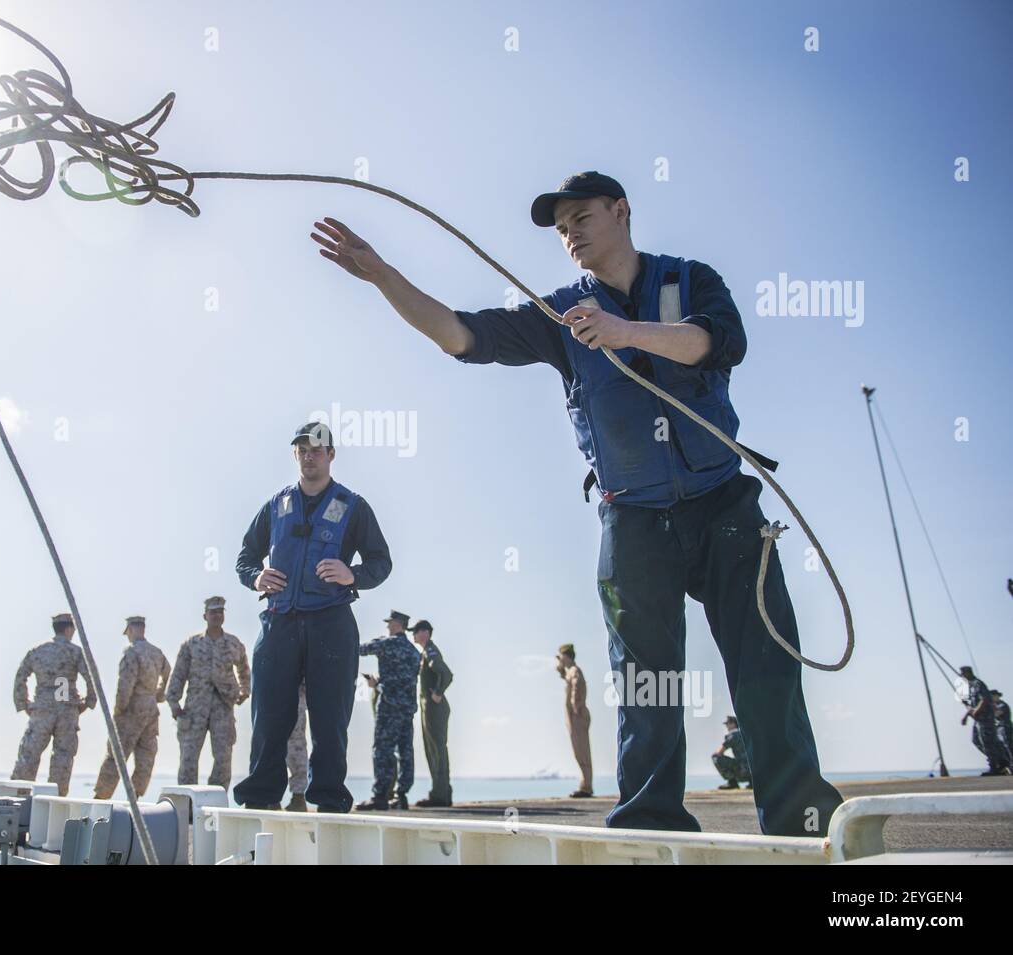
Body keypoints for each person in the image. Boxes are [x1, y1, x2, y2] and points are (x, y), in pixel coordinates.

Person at [311, 170, 844, 836]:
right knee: (648, 689)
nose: (570, 236)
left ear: (621, 211)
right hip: (635, 518)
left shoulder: (689, 279)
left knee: (768, 670)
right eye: (561, 230)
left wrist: (626, 332)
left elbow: (718, 342)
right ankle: (652, 832)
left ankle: (803, 827)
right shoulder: (560, 315)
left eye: (581, 219)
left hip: (723, 506)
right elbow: (460, 335)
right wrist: (383, 274)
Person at [232, 422, 393, 812]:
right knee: (269, 716)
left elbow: (381, 561)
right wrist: (256, 578)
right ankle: (259, 800)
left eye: (317, 449)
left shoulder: (352, 505)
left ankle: (329, 802)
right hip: (279, 621)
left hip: (330, 622)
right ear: (295, 455)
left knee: (329, 719)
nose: (309, 454)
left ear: (331, 455)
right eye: (302, 449)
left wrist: (352, 573)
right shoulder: (276, 505)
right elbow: (245, 558)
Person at [166, 596, 250, 789]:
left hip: (223, 707)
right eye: (213, 612)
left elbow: (244, 669)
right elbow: (179, 673)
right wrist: (173, 702)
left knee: (223, 758)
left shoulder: (233, 643)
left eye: (220, 612)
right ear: (205, 616)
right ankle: (187, 804)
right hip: (195, 708)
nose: (217, 615)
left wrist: (245, 691)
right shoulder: (192, 644)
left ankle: (216, 800)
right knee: (188, 757)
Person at [11, 612, 97, 797]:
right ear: (68, 629)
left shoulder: (38, 651)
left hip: (42, 708)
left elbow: (21, 676)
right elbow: (92, 678)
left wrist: (23, 703)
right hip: (67, 710)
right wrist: (87, 703)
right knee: (63, 758)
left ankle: (17, 797)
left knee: (29, 755)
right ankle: (55, 800)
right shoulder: (75, 652)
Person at [93, 615, 171, 799]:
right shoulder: (157, 652)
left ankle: (101, 797)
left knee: (116, 755)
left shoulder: (131, 652)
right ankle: (136, 796)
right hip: (151, 708)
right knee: (146, 755)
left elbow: (125, 684)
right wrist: (159, 694)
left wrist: (119, 709)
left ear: (131, 629)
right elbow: (168, 674)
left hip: (132, 708)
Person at [356, 611, 422, 811]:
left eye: (390, 623)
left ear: (397, 624)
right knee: (405, 750)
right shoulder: (414, 652)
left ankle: (380, 796)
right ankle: (401, 795)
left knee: (382, 750)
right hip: (407, 706)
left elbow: (359, 650)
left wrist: (376, 683)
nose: (387, 626)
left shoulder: (387, 643)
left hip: (389, 704)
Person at [412, 619, 454, 808]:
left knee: (436, 750)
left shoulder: (430, 651)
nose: (413, 634)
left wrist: (438, 692)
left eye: (416, 631)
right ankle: (442, 793)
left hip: (433, 707)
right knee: (434, 750)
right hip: (429, 707)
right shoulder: (426, 652)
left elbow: (446, 673)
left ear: (425, 633)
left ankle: (440, 795)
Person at [556, 644, 593, 798]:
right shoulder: (571, 671)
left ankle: (586, 786)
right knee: (579, 751)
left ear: (566, 655)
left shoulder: (574, 671)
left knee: (582, 751)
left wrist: (576, 706)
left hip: (577, 715)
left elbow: (577, 686)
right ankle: (585, 784)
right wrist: (561, 671)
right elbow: (569, 679)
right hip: (574, 716)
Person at [959, 665, 1010, 776]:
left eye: (962, 674)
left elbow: (984, 699)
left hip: (985, 720)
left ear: (968, 673)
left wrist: (976, 711)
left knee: (988, 743)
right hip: (978, 720)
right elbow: (972, 705)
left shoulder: (978, 684)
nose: (961, 676)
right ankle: (1000, 762)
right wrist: (966, 714)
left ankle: (996, 767)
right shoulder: (970, 687)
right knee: (977, 740)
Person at [285, 682, 309, 812]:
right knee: (268, 742)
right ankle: (271, 797)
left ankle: (298, 796)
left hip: (296, 690)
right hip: (273, 687)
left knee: (296, 745)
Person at [713, 715, 752, 790]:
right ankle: (752, 782)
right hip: (753, 769)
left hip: (743, 770)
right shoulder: (745, 733)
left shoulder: (733, 735)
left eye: (727, 724)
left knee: (715, 757)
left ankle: (732, 782)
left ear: (733, 724)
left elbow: (719, 752)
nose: (726, 726)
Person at [992, 690, 1013, 770]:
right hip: (999, 729)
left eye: (993, 696)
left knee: (1008, 746)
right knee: (1002, 747)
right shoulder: (996, 705)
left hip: (1005, 728)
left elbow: (997, 714)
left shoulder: (1002, 705)